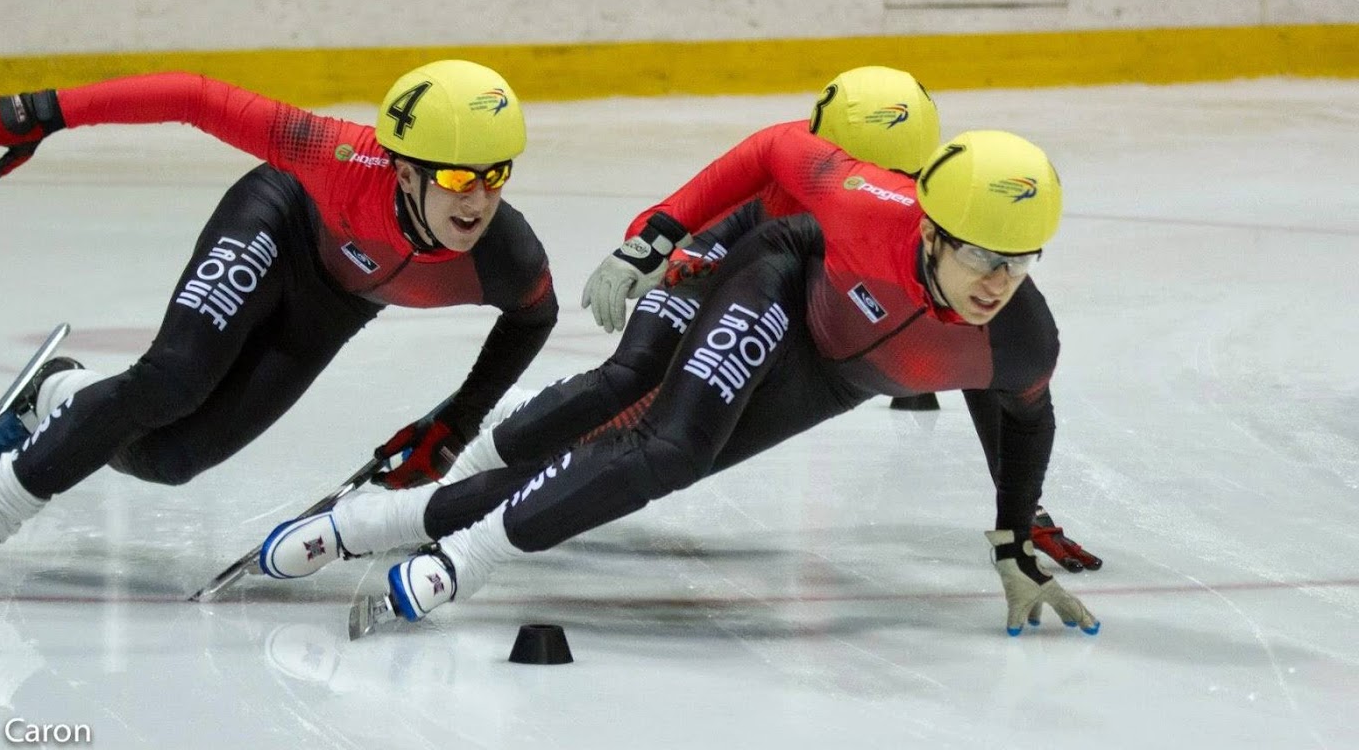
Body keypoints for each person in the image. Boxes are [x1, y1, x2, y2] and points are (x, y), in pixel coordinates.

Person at [261, 126, 1100, 637]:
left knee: (656, 460)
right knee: (666, 443)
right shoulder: (860, 203)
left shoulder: (1022, 338)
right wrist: (657, 233)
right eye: (982, 257)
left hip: (835, 378)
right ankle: (465, 560)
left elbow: (1026, 421)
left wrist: (1011, 543)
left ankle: (372, 523)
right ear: (932, 232)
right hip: (781, 281)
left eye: (1020, 262)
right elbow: (775, 148)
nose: (998, 283)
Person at [0, 60, 558, 576]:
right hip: (277, 223)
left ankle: (58, 393)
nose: (477, 199)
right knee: (175, 379)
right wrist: (48, 110)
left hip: (332, 308)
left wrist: (456, 420)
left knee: (172, 459)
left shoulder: (507, 255)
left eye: (494, 174)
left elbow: (535, 318)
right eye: (454, 177)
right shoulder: (333, 156)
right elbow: (193, 97)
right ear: (403, 168)